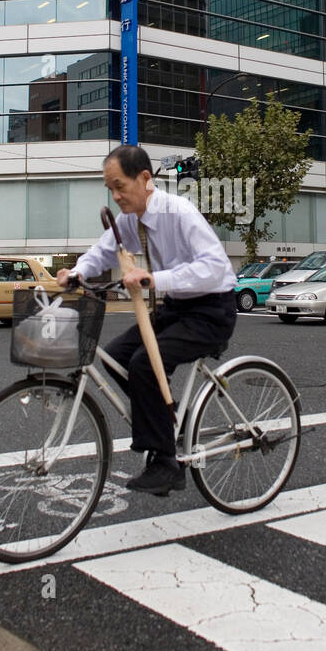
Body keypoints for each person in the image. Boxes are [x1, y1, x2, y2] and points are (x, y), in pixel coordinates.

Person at [56, 144, 238, 495]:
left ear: (144, 178)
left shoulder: (178, 211)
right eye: (109, 188)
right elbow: (102, 251)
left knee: (142, 364)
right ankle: (163, 416)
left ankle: (166, 463)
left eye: (119, 185)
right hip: (178, 307)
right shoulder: (127, 219)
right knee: (117, 357)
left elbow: (215, 267)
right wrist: (75, 272)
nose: (115, 195)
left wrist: (156, 280)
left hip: (212, 310)